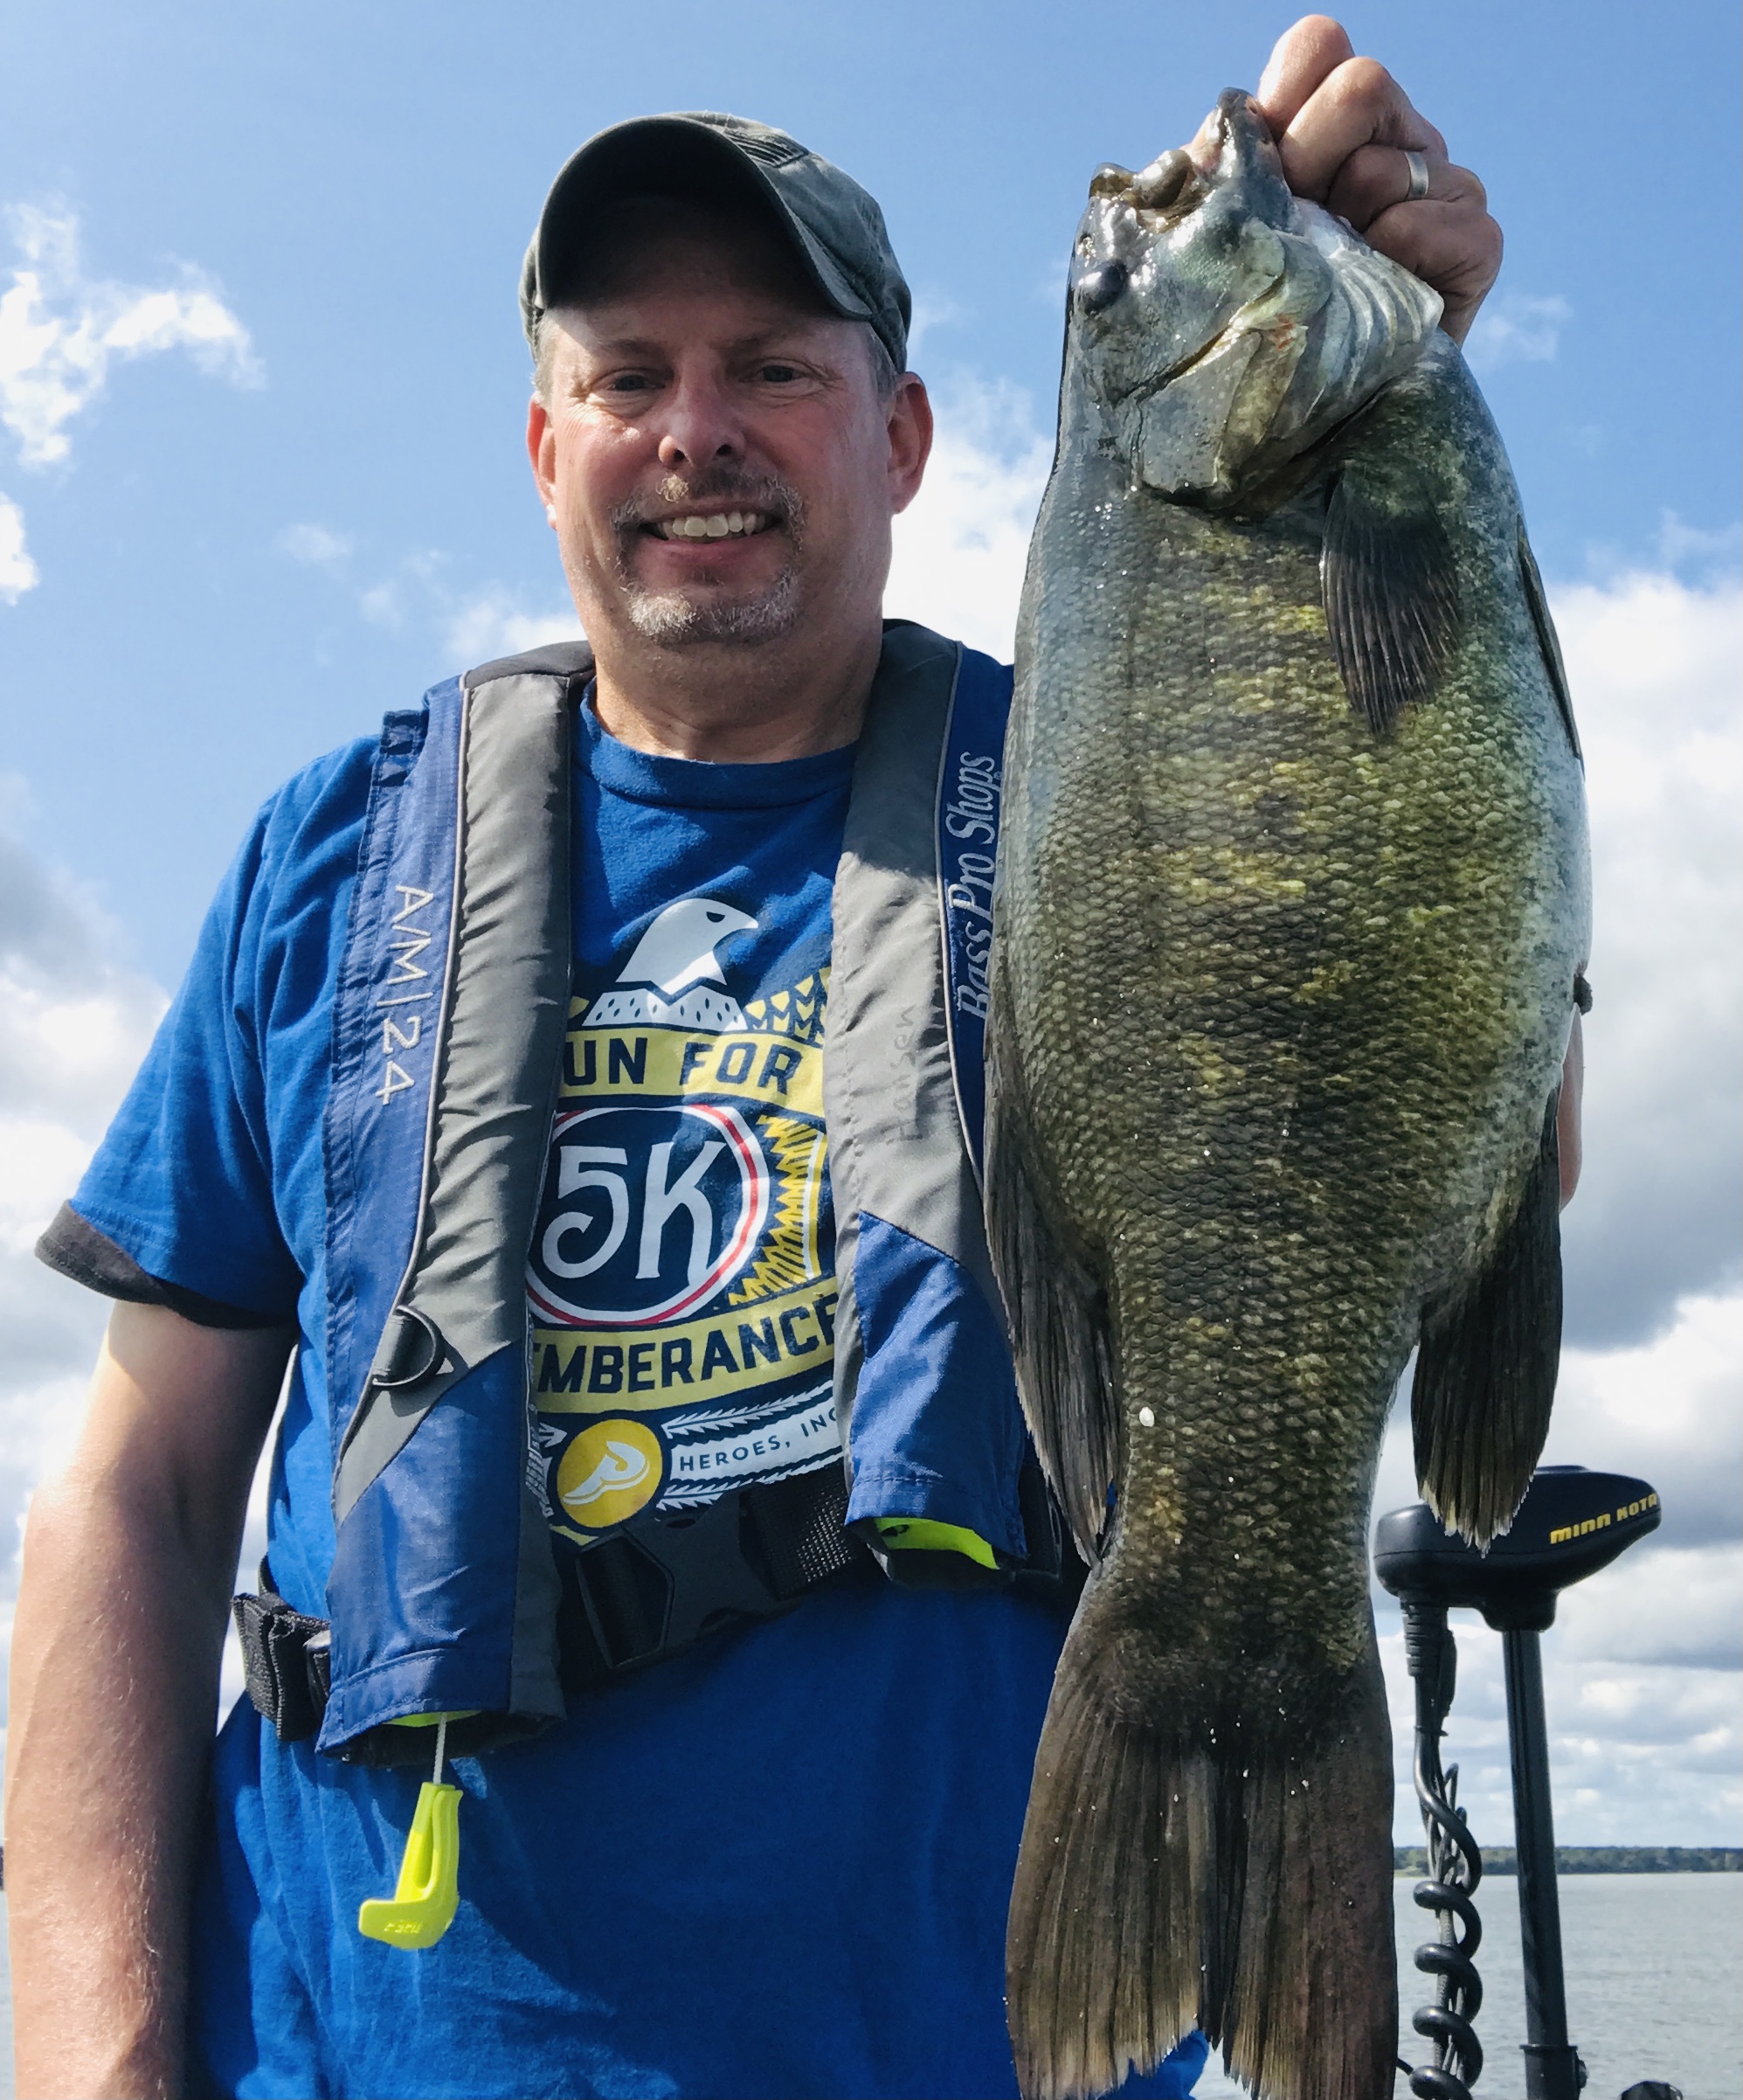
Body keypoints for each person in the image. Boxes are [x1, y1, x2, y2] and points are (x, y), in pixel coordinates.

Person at [7, 17, 1562, 2098]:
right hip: (344, 2043)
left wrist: (1410, 449)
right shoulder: (327, 853)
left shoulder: (1114, 756)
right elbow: (144, 1483)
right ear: (544, 447)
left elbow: (1475, 1105)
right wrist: (95, 2057)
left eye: (773, 369)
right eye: (626, 377)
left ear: (901, 434)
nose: (694, 430)